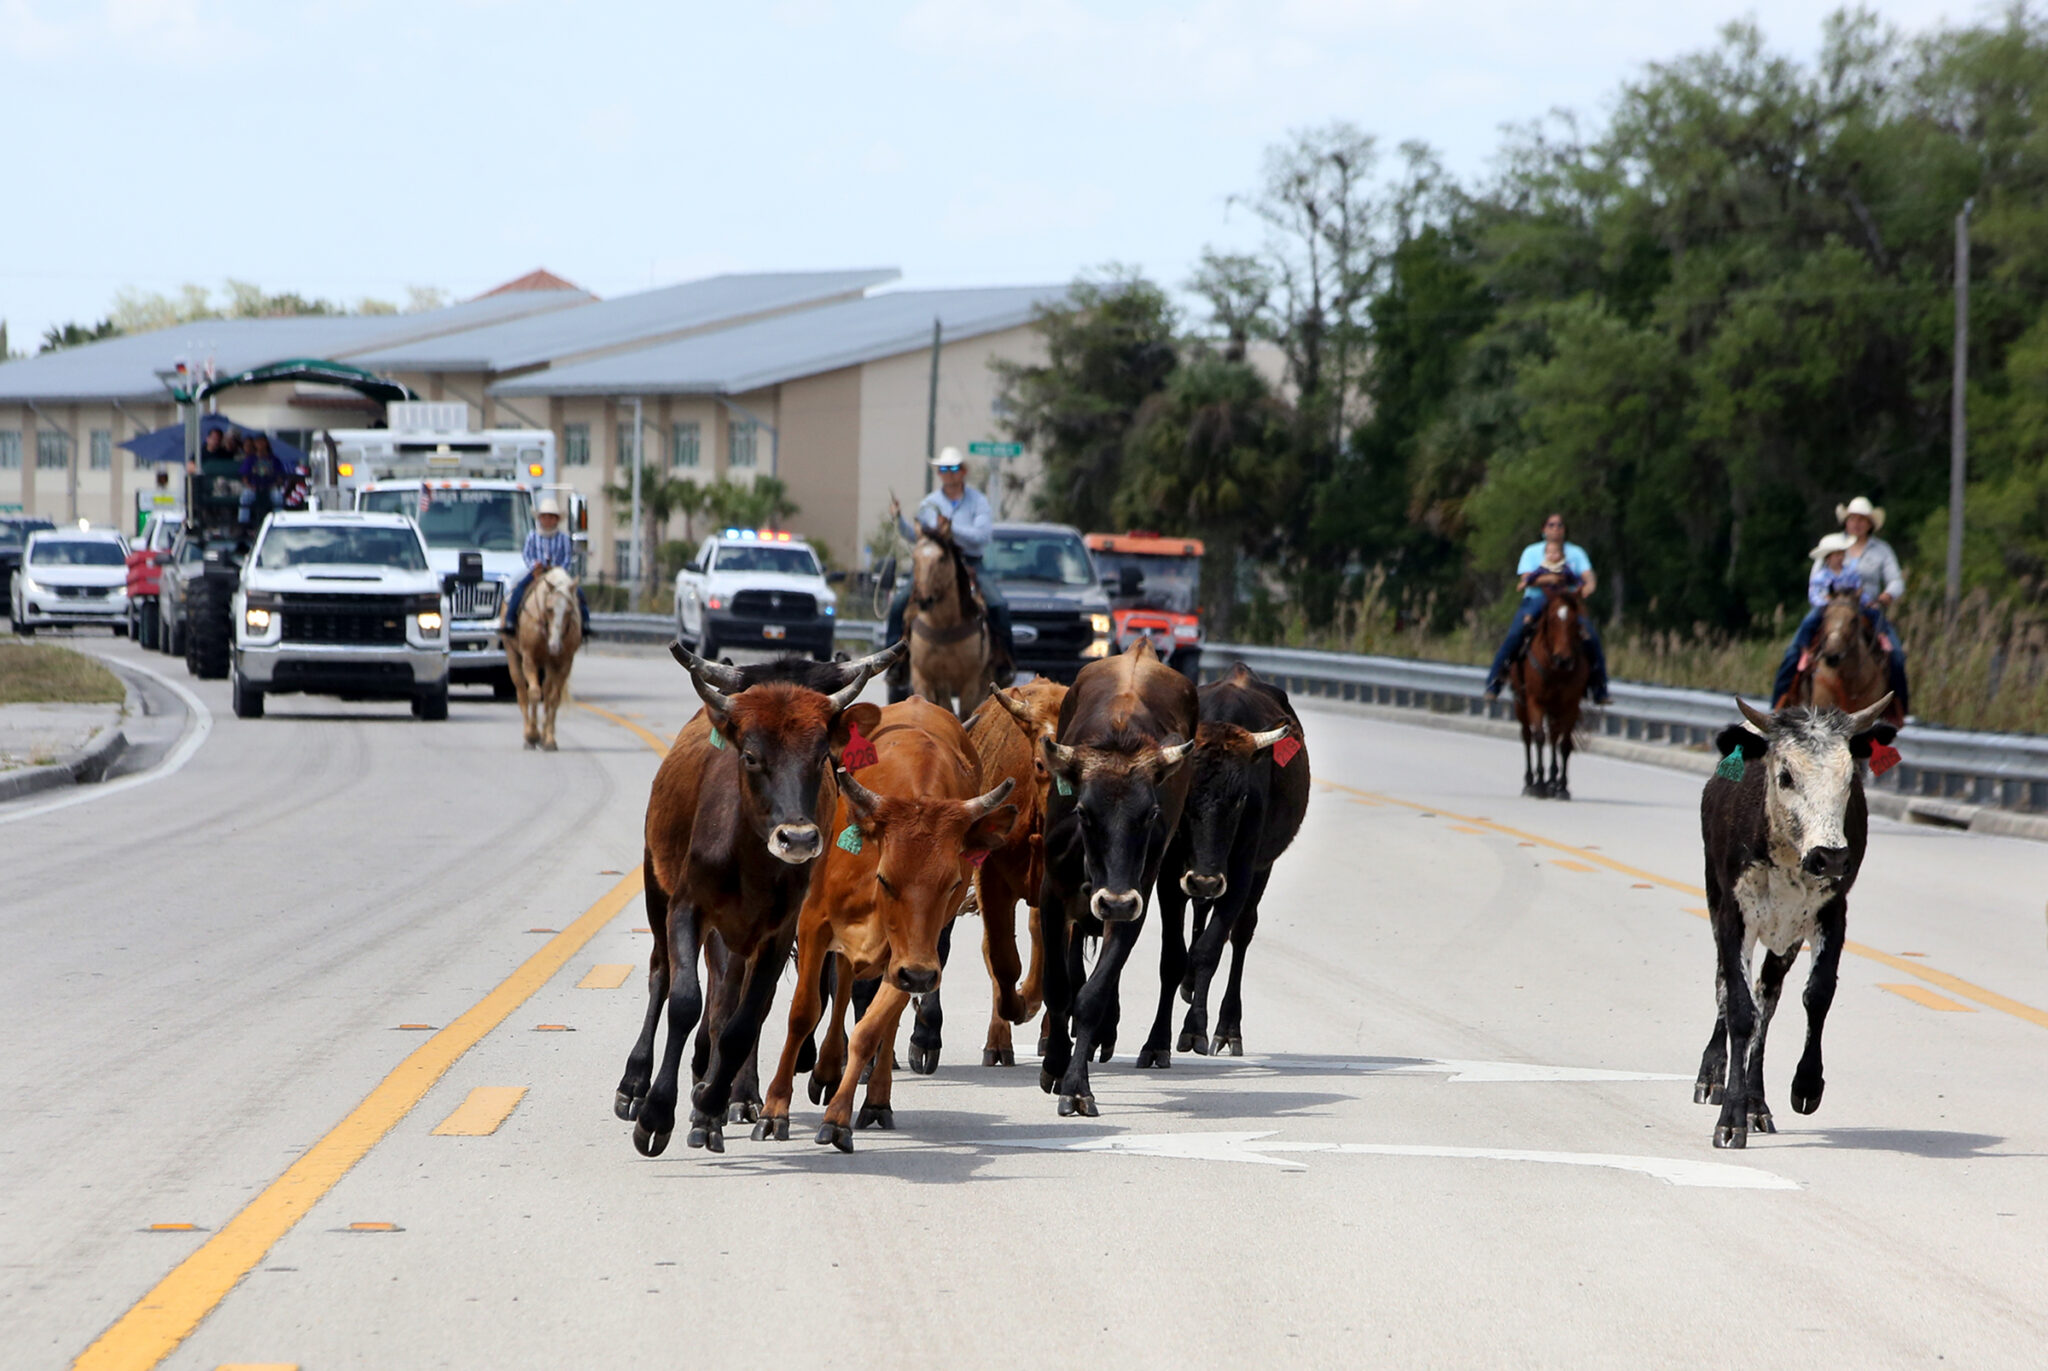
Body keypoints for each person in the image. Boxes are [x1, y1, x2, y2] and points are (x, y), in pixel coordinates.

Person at [883, 447, 1014, 688]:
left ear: (963, 471)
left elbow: (981, 536)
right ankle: (895, 662)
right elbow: (916, 535)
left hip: (969, 563)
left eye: (953, 468)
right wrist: (899, 520)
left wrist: (952, 530)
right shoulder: (930, 504)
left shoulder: (978, 501)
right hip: (936, 565)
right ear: (939, 473)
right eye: (943, 469)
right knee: (900, 602)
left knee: (998, 604)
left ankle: (1003, 660)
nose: (949, 473)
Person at [1770, 496, 1908, 712]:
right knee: (1792, 652)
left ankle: (1897, 709)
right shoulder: (1831, 543)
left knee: (1897, 656)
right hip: (1829, 608)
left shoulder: (1882, 550)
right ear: (1846, 521)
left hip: (1864, 606)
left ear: (1870, 524)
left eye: (1862, 519)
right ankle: (1780, 704)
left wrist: (1885, 597)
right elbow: (1816, 577)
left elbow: (1896, 581)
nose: (1857, 523)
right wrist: (1824, 600)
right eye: (1853, 518)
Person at [1482, 512, 1612, 705]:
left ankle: (1599, 687)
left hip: (1566, 602)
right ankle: (1495, 681)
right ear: (1544, 529)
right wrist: (1549, 579)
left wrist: (1589, 585)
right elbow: (1526, 578)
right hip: (1537, 599)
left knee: (1590, 635)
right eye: (1551, 525)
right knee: (1516, 633)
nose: (1556, 528)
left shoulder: (1575, 553)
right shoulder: (1532, 552)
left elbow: (1587, 574)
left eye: (1560, 525)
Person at [500, 498, 591, 641]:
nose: (547, 520)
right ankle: (510, 621)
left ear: (556, 520)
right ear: (540, 519)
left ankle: (585, 624)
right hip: (537, 573)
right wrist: (534, 565)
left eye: (551, 517)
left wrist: (559, 569)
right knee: (519, 590)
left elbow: (567, 558)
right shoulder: (532, 536)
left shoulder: (563, 538)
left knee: (578, 593)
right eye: (544, 517)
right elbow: (527, 555)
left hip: (558, 575)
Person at [237, 433, 287, 528]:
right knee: (245, 497)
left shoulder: (274, 459)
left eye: (262, 441)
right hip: (254, 487)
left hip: (270, 487)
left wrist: (275, 485)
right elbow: (244, 476)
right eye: (257, 442)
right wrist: (249, 485)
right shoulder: (250, 459)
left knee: (278, 497)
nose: (260, 444)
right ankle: (243, 525)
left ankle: (280, 523)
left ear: (266, 443)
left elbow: (280, 477)